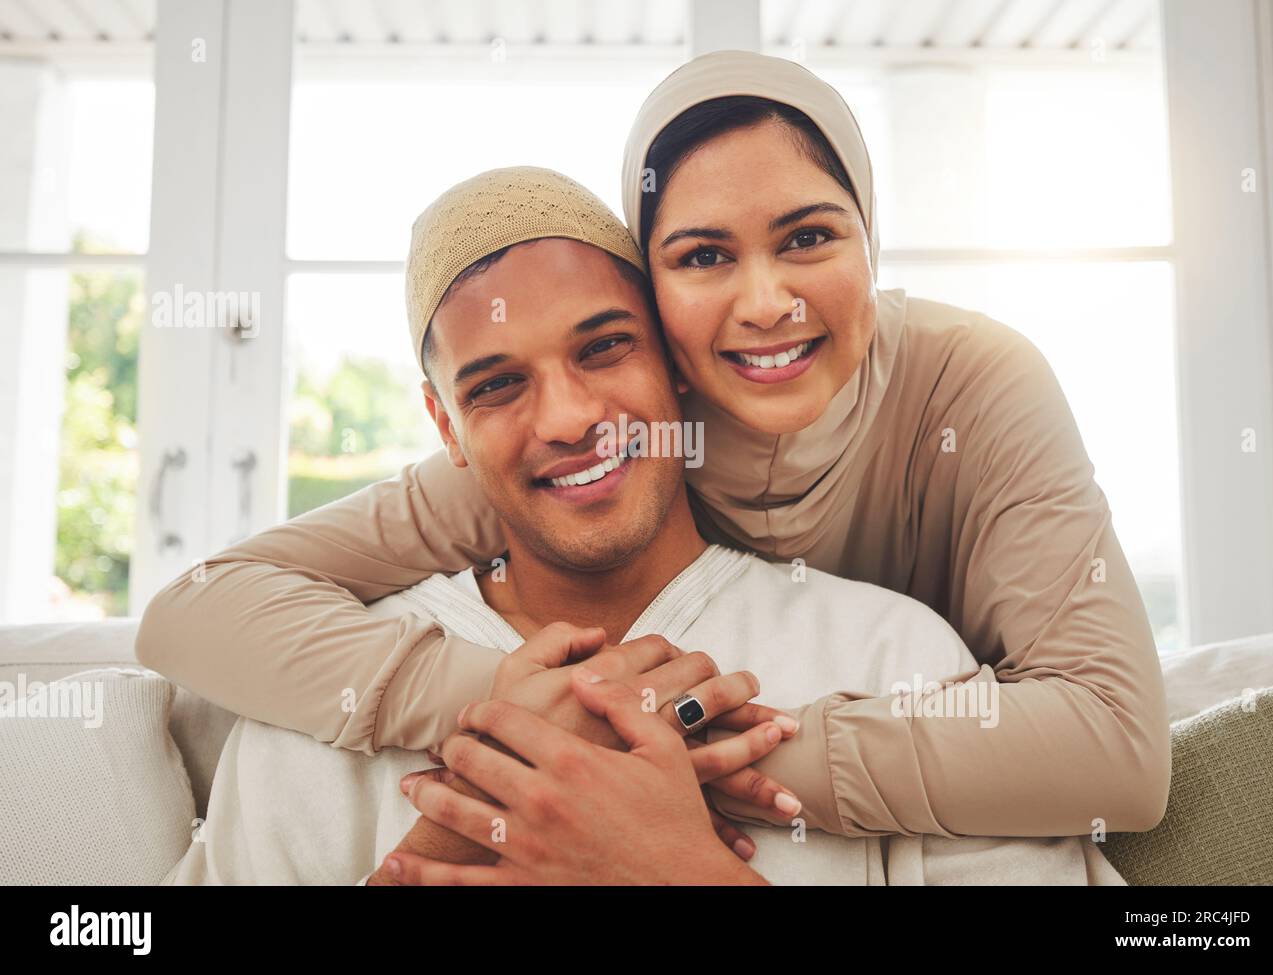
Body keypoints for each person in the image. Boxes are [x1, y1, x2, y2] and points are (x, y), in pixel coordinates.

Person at [138, 52, 1169, 840]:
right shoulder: (598, 446)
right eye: (702, 256)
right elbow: (196, 612)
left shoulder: (974, 382)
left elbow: (1119, 753)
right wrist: (508, 703)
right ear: (655, 291)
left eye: (809, 236)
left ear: (870, 239)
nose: (766, 304)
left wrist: (676, 751)